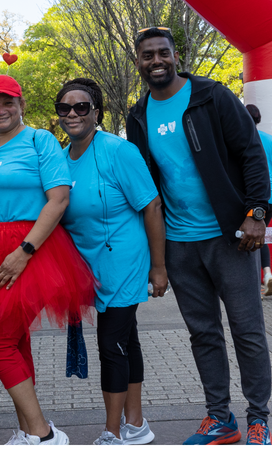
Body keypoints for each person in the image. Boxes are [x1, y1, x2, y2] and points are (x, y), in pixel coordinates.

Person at [125, 28, 272, 445]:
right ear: (138, 62)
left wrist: (256, 213)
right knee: (203, 333)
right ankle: (220, 418)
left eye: (163, 53)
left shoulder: (211, 96)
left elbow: (251, 153)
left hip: (231, 238)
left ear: (176, 56)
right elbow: (145, 183)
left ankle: (259, 419)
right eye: (148, 55)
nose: (156, 61)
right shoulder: (138, 115)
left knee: (247, 330)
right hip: (179, 244)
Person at [0, 74, 96, 445]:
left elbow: (59, 199)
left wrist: (24, 252)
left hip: (31, 250)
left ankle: (43, 434)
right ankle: (28, 431)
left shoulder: (40, 141)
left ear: (21, 105)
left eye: (8, 102)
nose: (0, 110)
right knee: (14, 340)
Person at [56, 79, 167, 445]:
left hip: (124, 261)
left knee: (111, 344)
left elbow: (152, 205)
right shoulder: (61, 159)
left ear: (97, 113)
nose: (73, 114)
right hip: (88, 266)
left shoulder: (119, 151)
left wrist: (158, 267)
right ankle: (136, 424)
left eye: (81, 107)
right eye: (65, 108)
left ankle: (113, 432)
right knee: (126, 340)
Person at [245, 104, 272, 296]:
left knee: (250, 235)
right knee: (261, 233)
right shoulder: (270, 139)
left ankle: (254, 285)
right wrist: (271, 176)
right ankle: (268, 274)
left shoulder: (242, 138)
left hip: (252, 195)